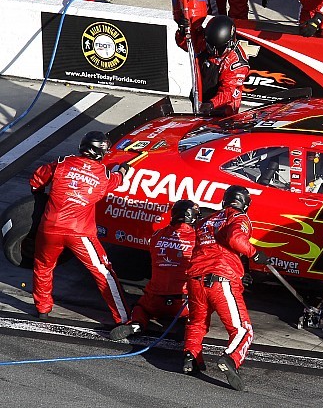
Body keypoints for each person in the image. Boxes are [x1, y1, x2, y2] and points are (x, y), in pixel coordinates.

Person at [29, 131, 130, 324]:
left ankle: (42, 309)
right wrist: (123, 170)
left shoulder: (62, 162)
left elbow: (36, 179)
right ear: (101, 152)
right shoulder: (103, 175)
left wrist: (40, 198)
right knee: (104, 272)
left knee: (43, 267)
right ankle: (124, 318)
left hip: (50, 227)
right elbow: (116, 180)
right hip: (80, 233)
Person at [182, 185, 270, 391]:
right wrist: (254, 253)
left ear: (224, 201)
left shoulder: (205, 221)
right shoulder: (239, 217)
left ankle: (191, 357)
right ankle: (231, 358)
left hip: (195, 278)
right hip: (220, 279)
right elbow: (235, 239)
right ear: (245, 204)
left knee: (197, 323)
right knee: (242, 330)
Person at [109, 200, 200, 341]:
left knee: (140, 308)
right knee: (202, 308)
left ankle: (136, 324)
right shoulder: (198, 240)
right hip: (182, 302)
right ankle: (187, 326)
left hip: (154, 300)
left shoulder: (157, 235)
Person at [195, 15, 249, 116]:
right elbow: (187, 44)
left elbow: (229, 92)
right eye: (209, 46)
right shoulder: (209, 42)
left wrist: (211, 104)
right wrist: (182, 30)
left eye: (216, 48)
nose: (212, 51)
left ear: (229, 43)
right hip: (201, 98)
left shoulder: (237, 63)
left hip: (223, 110)